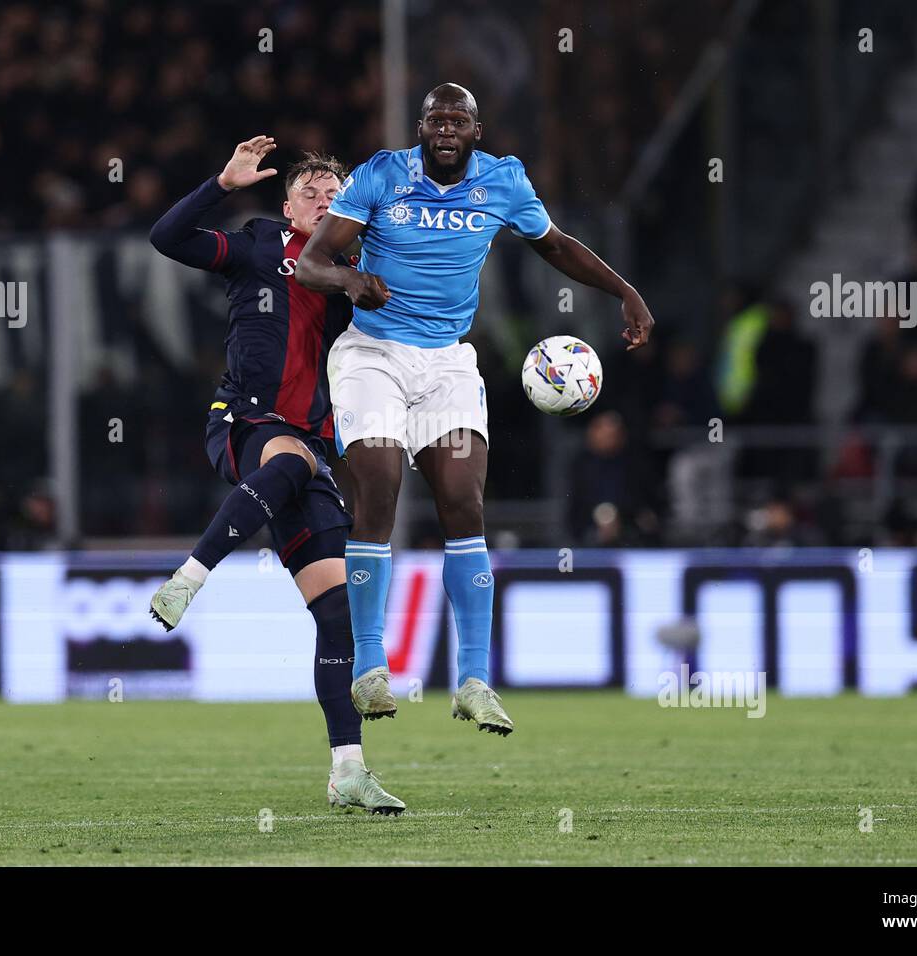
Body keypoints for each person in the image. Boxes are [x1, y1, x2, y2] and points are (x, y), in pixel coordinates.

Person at [295, 84, 654, 735]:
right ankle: (370, 666)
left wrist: (624, 290)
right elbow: (312, 263)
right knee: (379, 483)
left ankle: (474, 681)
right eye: (435, 119)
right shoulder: (380, 175)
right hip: (373, 355)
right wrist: (351, 280)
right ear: (420, 128)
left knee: (464, 501)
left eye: (457, 120)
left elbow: (555, 245)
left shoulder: (503, 182)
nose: (446, 129)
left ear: (476, 131)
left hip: (448, 363)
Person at [146, 136, 404, 814]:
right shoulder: (260, 246)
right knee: (287, 459)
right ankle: (189, 576)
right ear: (287, 209)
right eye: (308, 194)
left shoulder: (358, 274)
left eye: (333, 196)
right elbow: (167, 238)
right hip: (244, 421)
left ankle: (348, 771)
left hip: (311, 443)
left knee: (338, 612)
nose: (321, 202)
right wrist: (221, 185)